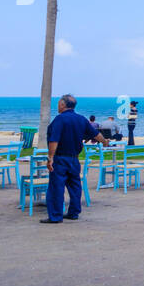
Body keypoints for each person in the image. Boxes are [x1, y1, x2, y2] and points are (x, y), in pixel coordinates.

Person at [41, 94, 107, 224]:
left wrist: (50, 158)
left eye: (59, 103)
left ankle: (55, 216)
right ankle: (74, 213)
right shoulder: (81, 119)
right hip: (74, 159)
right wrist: (105, 142)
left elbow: (54, 140)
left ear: (62, 104)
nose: (58, 105)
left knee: (56, 188)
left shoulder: (60, 120)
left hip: (60, 159)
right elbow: (96, 134)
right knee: (75, 186)